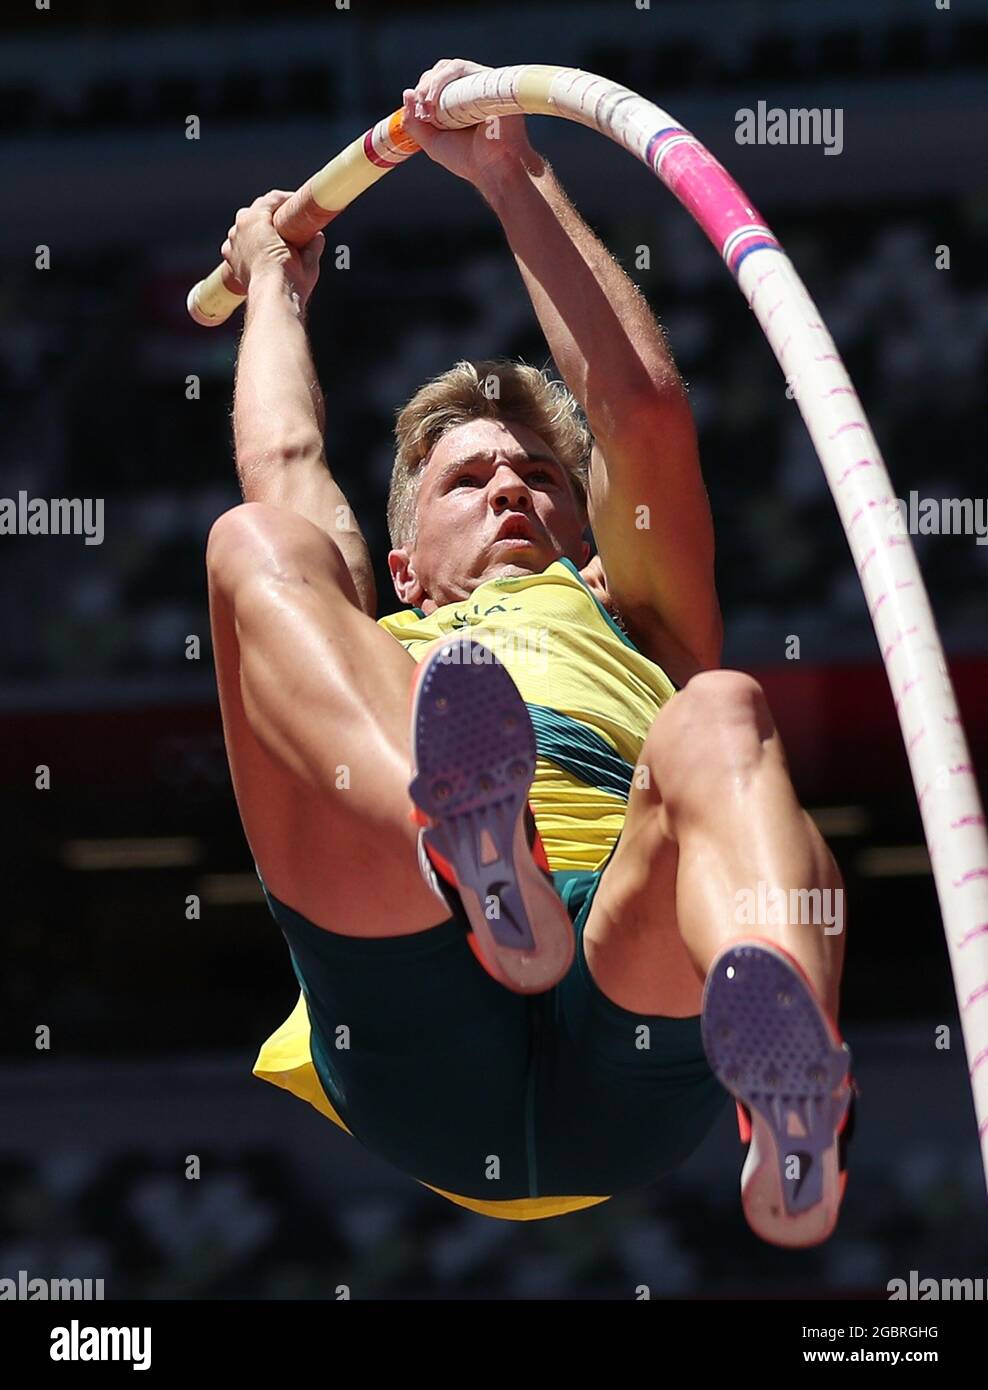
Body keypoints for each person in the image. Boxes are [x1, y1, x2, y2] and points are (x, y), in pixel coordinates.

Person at [206, 58, 856, 1244]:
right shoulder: (377, 625)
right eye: (469, 476)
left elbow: (641, 413)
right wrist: (272, 292)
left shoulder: (628, 605)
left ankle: (794, 1082)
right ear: (402, 567)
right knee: (257, 543)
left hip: (627, 977)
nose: (509, 482)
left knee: (717, 710)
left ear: (591, 536)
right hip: (412, 1001)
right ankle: (461, 840)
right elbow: (286, 463)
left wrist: (514, 174)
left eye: (539, 474)